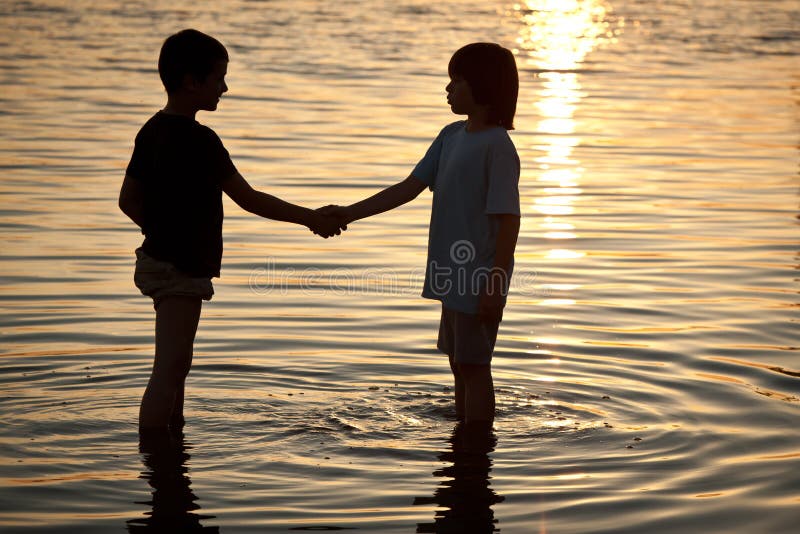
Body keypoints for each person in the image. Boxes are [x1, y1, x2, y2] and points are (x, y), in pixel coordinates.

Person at [118, 29, 344, 431]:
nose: (225, 87)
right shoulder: (201, 140)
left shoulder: (150, 130)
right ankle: (156, 459)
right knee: (169, 370)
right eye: (219, 77)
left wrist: (163, 231)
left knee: (177, 367)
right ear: (192, 81)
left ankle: (173, 448)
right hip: (180, 268)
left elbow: (127, 201)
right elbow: (250, 198)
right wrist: (311, 218)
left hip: (158, 260)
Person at [322, 43, 520, 426]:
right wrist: (348, 213)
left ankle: (476, 447)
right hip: (451, 273)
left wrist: (495, 283)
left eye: (456, 81)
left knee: (475, 366)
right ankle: (463, 450)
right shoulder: (450, 136)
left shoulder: (497, 147)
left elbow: (509, 220)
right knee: (458, 365)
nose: (448, 89)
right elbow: (407, 188)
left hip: (480, 276)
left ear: (481, 85)